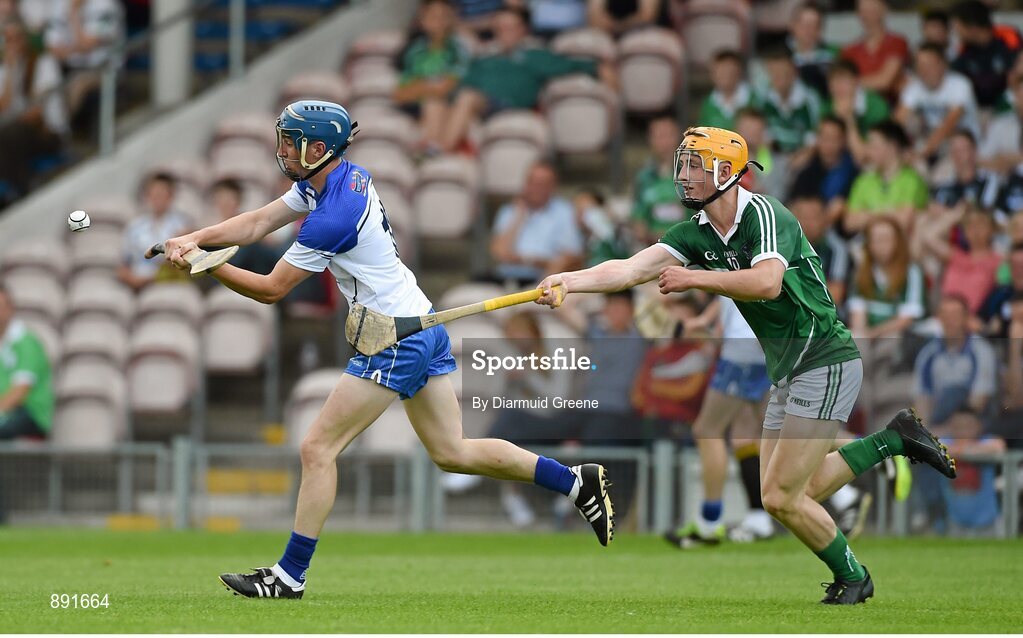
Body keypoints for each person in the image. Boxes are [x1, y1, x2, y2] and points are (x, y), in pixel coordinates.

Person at [151, 100, 616, 599]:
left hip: (393, 337)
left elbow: (271, 289)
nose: (282, 149)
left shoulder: (333, 216)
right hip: (418, 324)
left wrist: (207, 264)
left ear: (318, 148)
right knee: (452, 453)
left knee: (317, 448)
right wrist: (193, 237)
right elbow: (257, 223)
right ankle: (574, 482)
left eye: (291, 141)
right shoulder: (337, 176)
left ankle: (289, 577)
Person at [535, 125, 957, 604]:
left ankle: (854, 578)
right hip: (788, 366)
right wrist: (568, 279)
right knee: (791, 493)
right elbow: (630, 269)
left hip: (824, 355)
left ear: (725, 171)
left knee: (780, 497)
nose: (685, 174)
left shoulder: (765, 213)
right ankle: (893, 439)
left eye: (696, 164)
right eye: (685, 163)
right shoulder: (696, 231)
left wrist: (698, 280)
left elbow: (767, 283)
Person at [661, 295, 775, 547]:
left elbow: (741, 283)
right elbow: (729, 288)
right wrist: (704, 320)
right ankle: (758, 519)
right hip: (756, 348)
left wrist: (686, 277)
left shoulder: (740, 257)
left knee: (707, 430)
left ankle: (710, 524)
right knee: (750, 433)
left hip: (745, 352)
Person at [438, 5, 614, 152]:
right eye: (499, 28)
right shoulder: (484, 56)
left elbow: (567, 65)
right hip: (478, 107)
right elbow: (466, 81)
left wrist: (597, 67)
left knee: (467, 98)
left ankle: (440, 153)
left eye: (510, 28)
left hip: (508, 105)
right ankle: (432, 154)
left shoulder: (534, 54)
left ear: (523, 29)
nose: (504, 33)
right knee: (437, 104)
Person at [0, 16, 67, 200]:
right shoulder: (7, 69)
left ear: (26, 39)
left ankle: (20, 188)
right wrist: (10, 71)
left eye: (17, 37)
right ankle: (13, 186)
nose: (13, 43)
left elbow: (35, 114)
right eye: (8, 39)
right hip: (17, 132)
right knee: (9, 133)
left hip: (48, 133)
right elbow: (2, 107)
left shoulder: (44, 63)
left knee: (10, 133)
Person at [393, 0, 471, 155]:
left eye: (443, 17)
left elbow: (447, 88)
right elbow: (400, 94)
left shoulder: (458, 49)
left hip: (447, 103)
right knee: (432, 103)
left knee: (436, 103)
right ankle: (432, 149)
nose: (438, 22)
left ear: (451, 19)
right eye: (433, 16)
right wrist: (429, 86)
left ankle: (436, 150)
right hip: (417, 105)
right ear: (422, 20)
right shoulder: (414, 51)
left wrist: (421, 86)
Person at [489, 161, 584, 285]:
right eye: (532, 182)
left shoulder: (565, 212)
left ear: (553, 187)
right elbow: (499, 252)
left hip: (543, 279)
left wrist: (531, 261)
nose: (536, 188)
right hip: (505, 279)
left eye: (542, 184)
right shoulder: (510, 211)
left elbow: (571, 257)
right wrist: (518, 217)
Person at [895, 43, 979, 165]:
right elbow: (899, 120)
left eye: (929, 65)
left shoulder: (960, 84)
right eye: (920, 65)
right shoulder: (914, 87)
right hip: (929, 140)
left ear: (942, 65)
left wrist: (922, 153)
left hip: (960, 141)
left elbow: (948, 126)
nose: (924, 70)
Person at [844, 120, 929, 236]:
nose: (868, 151)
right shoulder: (863, 181)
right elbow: (849, 223)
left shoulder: (912, 180)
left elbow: (903, 222)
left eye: (873, 145)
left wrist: (867, 214)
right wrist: (891, 211)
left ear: (892, 146)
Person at [847, 217, 926, 338]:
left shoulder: (911, 272)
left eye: (887, 239)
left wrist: (872, 334)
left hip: (899, 334)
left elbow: (906, 319)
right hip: (868, 333)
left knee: (893, 339)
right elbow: (858, 314)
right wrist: (861, 335)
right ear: (869, 243)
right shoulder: (861, 271)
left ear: (897, 241)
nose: (882, 245)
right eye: (877, 240)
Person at [118, 172, 193, 291]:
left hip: (166, 284)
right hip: (135, 285)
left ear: (171, 196)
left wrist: (150, 279)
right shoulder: (135, 226)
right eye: (153, 194)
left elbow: (179, 263)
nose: (157, 198)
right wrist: (131, 279)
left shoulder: (182, 226)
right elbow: (123, 264)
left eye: (161, 194)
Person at [0, 284, 53, 441]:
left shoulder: (26, 342)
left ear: (11, 309)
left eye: (2, 307)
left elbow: (21, 390)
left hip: (30, 412)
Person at [949, 0, 1022, 109]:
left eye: (958, 27)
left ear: (973, 28)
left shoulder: (1008, 36)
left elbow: (1017, 71)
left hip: (1011, 104)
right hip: (980, 108)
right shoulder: (963, 49)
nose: (956, 32)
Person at [631, 116, 686, 245]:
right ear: (650, 140)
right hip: (653, 246)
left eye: (668, 136)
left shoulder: (692, 174)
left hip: (688, 247)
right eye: (659, 137)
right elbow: (638, 220)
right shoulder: (643, 178)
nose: (664, 142)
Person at [840, 0, 910, 103]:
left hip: (891, 109)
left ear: (884, 9)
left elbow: (885, 81)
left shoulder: (897, 42)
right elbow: (841, 84)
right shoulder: (849, 50)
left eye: (872, 7)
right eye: (863, 9)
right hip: (861, 108)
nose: (868, 13)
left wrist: (853, 83)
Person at [786, 2, 838, 99]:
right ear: (792, 25)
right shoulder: (780, 56)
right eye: (804, 25)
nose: (809, 30)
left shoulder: (833, 53)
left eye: (814, 25)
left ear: (821, 29)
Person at [698, 50, 751, 131]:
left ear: (739, 72)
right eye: (720, 72)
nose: (725, 76)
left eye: (729, 71)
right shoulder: (707, 104)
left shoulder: (755, 100)